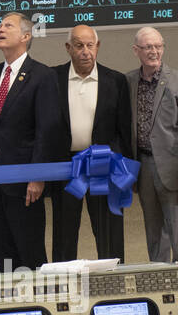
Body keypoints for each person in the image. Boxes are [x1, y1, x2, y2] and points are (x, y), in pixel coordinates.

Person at [0, 12, 61, 272]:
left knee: (29, 250)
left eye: (8, 25)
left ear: (26, 36)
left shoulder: (42, 76)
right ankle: (11, 301)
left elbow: (47, 130)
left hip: (25, 180)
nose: (0, 29)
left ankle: (37, 304)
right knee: (3, 252)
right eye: (0, 25)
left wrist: (37, 175)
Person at [51, 25, 133, 262]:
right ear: (68, 48)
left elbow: (123, 130)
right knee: (64, 234)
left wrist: (120, 167)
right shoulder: (53, 79)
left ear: (98, 47)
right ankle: (64, 290)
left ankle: (114, 284)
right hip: (67, 169)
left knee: (110, 235)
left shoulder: (115, 80)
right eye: (78, 45)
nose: (85, 51)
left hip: (104, 169)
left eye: (90, 45)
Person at [127, 27, 178, 264]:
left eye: (158, 46)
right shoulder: (128, 81)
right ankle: (160, 284)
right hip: (144, 168)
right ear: (136, 50)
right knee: (154, 234)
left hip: (174, 171)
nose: (154, 51)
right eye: (148, 47)